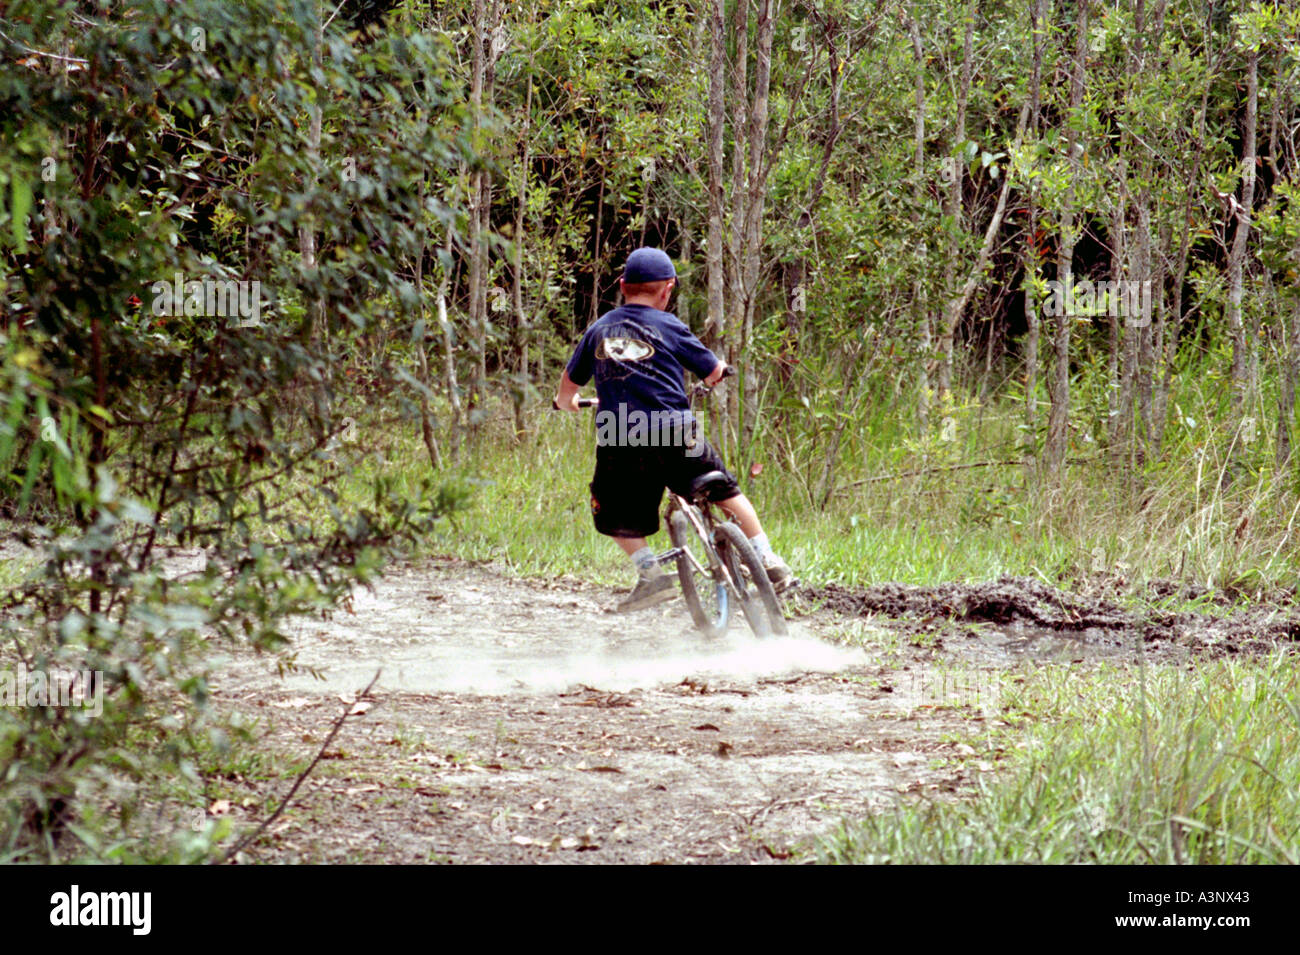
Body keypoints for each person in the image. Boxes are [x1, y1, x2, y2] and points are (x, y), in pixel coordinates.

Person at [554, 247, 794, 612]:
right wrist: (717, 373)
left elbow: (568, 388)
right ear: (668, 289)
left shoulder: (599, 329)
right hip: (675, 430)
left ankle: (651, 575)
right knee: (724, 488)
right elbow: (712, 371)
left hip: (621, 435)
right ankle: (768, 559)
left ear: (622, 286)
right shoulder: (670, 325)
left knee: (613, 508)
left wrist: (567, 403)